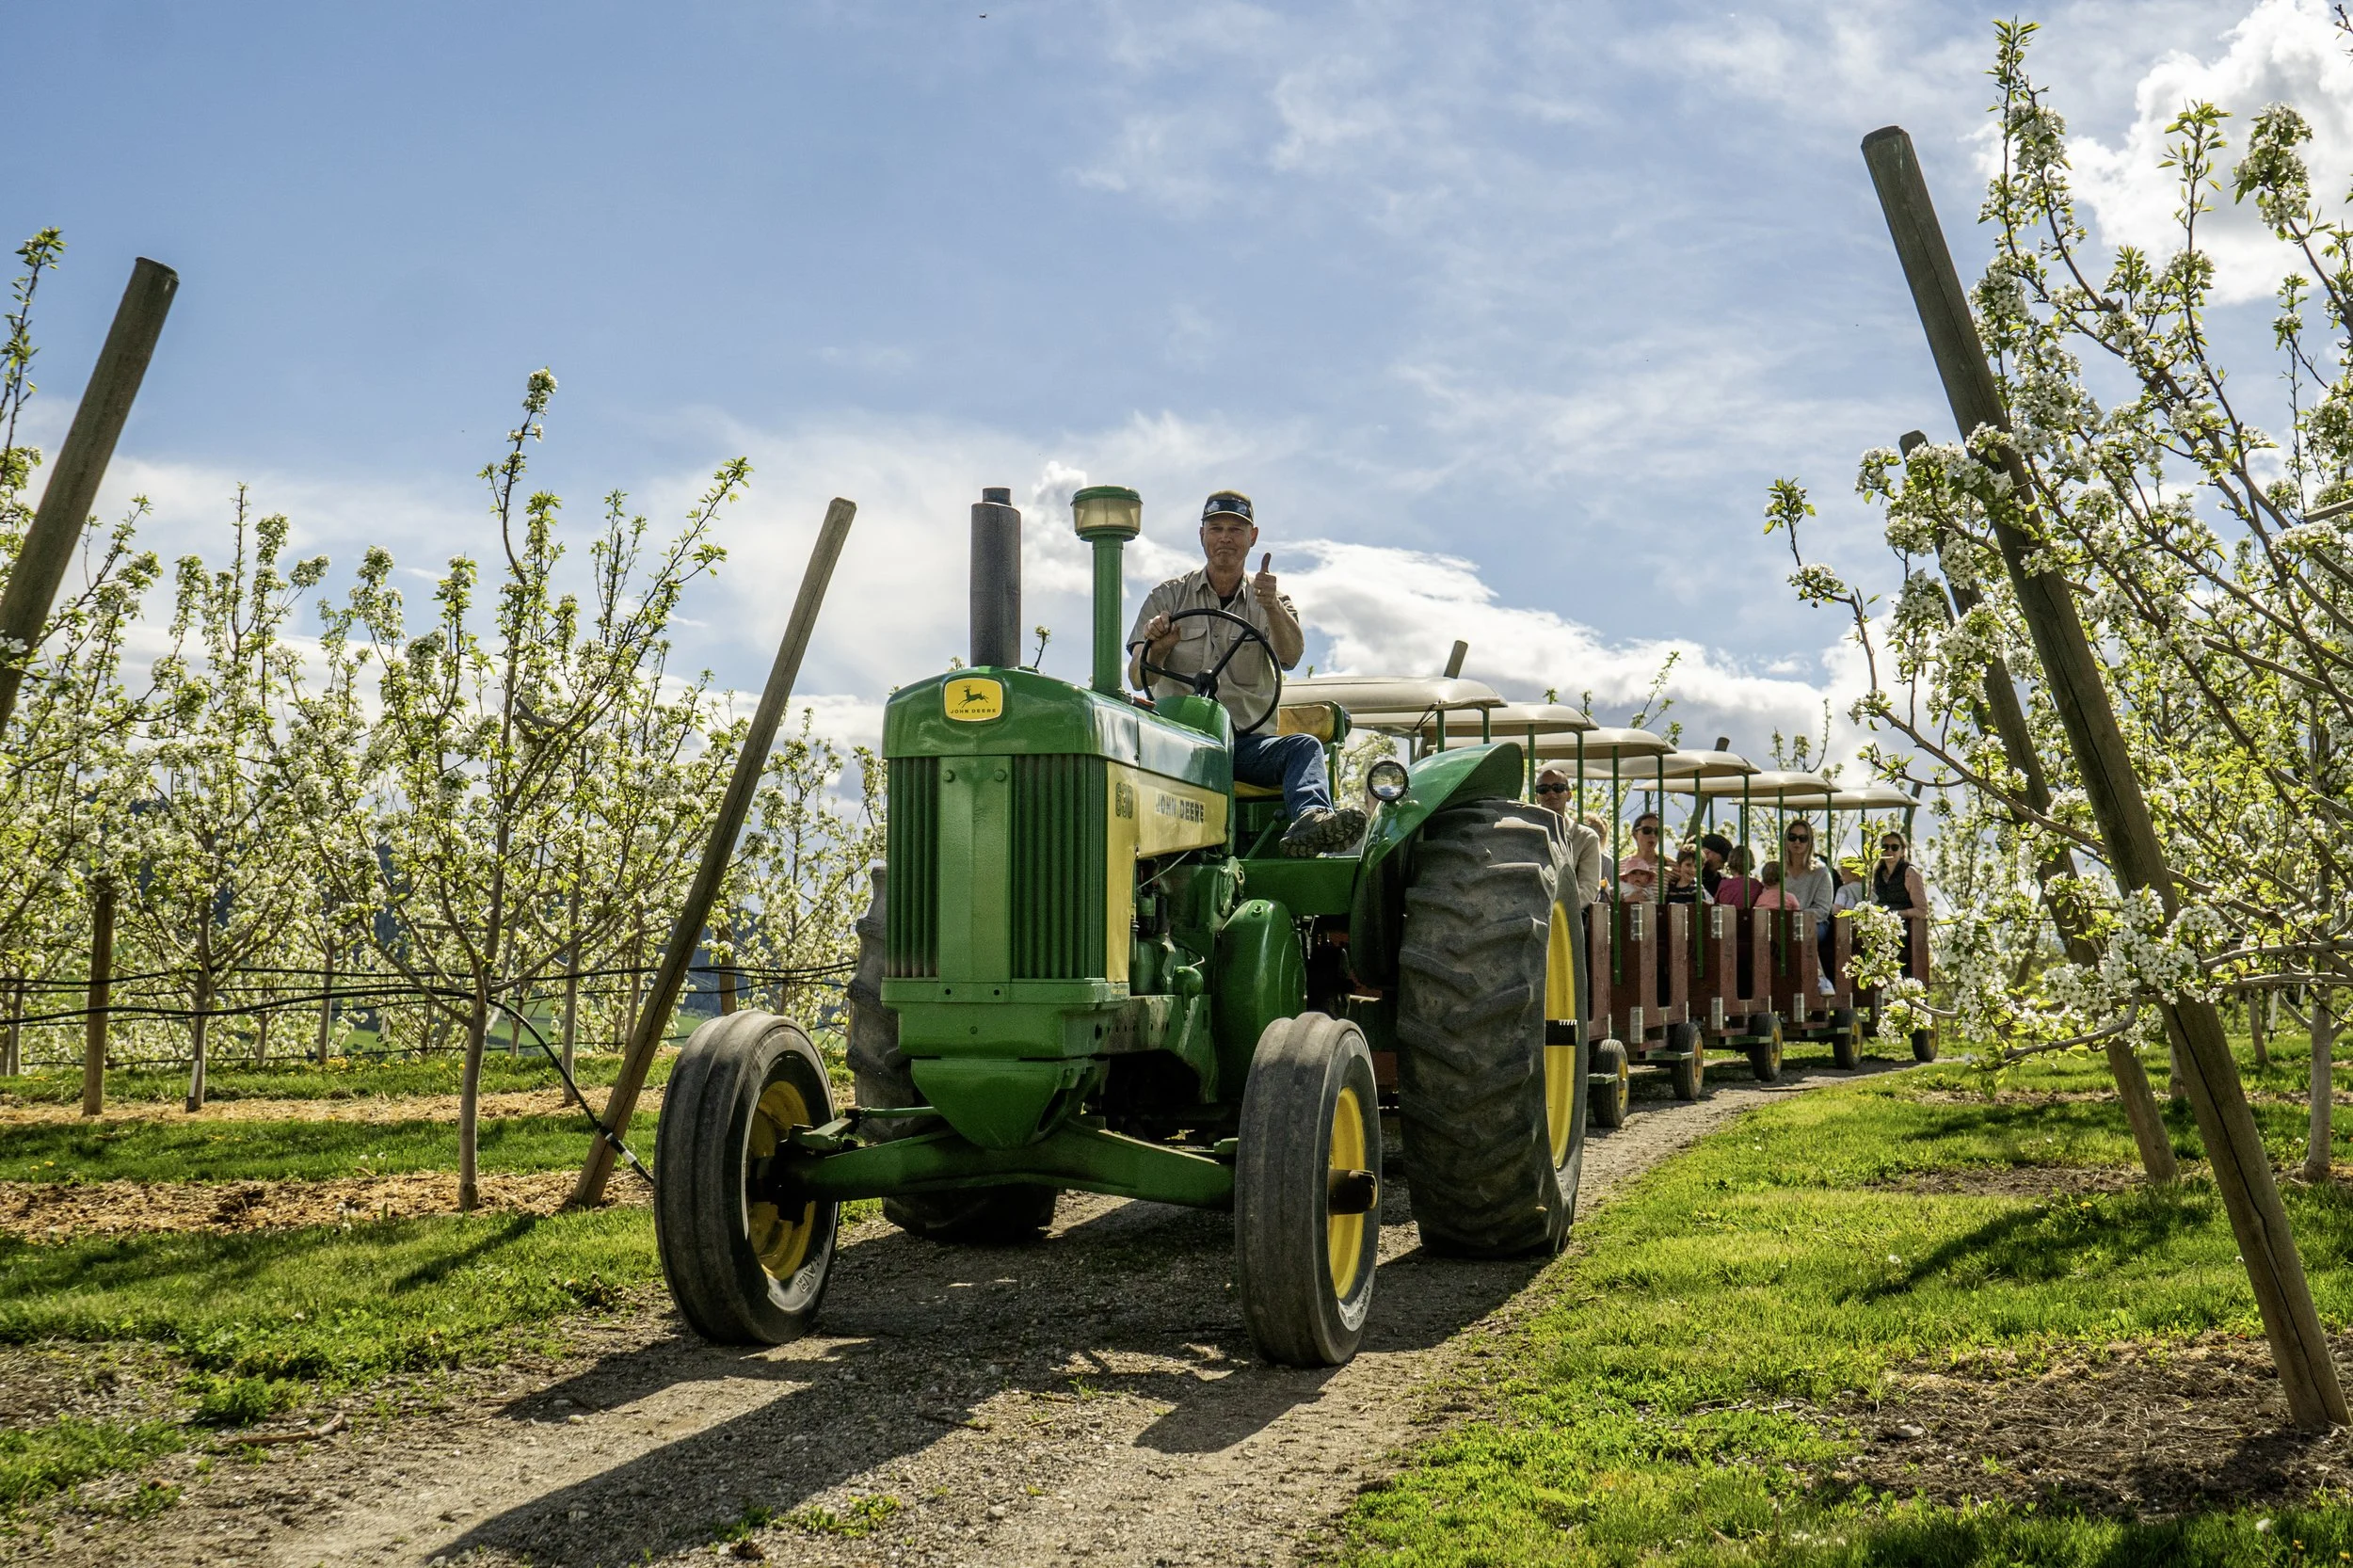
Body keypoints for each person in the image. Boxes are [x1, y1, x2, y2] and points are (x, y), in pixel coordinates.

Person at [1128, 490, 1364, 856]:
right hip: (1177, 743)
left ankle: (1311, 819)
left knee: (1303, 746)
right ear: (1202, 534)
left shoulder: (1271, 600)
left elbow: (1290, 656)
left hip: (1244, 745)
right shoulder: (1169, 597)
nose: (1225, 537)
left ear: (1252, 538)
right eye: (1217, 527)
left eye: (1236, 529)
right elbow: (1135, 675)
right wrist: (1159, 645)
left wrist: (1270, 606)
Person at [1779, 818, 1837, 992]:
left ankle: (1820, 979)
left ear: (1809, 842)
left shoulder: (1820, 871)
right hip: (1782, 921)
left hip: (1814, 924)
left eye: (1802, 838)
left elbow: (1823, 909)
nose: (1797, 842)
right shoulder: (1778, 869)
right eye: (1792, 837)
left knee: (1802, 931)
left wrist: (1798, 916)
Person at [1534, 768, 1604, 911]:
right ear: (1537, 796)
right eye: (1543, 789)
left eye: (1558, 788)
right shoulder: (1525, 833)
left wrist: (1556, 911)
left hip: (1566, 921)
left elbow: (1588, 888)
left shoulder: (1586, 838)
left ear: (1569, 795)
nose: (1551, 793)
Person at [1873, 830, 1930, 971]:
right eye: (1885, 847)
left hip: (1904, 928)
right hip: (1880, 924)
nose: (1889, 851)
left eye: (1894, 847)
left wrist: (1897, 914)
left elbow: (1922, 911)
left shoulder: (1910, 873)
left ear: (1903, 850)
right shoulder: (1878, 873)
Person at [1617, 810, 1663, 902]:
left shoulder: (1669, 866)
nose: (1652, 835)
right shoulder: (1620, 865)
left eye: (1657, 831)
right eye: (1647, 830)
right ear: (1635, 834)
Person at [1710, 844, 1764, 910]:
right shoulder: (1757, 885)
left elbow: (1715, 905)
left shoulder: (1724, 884)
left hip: (1727, 918)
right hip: (1747, 919)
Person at [1697, 832, 1735, 901]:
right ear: (1707, 853)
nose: (1722, 867)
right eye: (1721, 861)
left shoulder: (1722, 882)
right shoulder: (1686, 875)